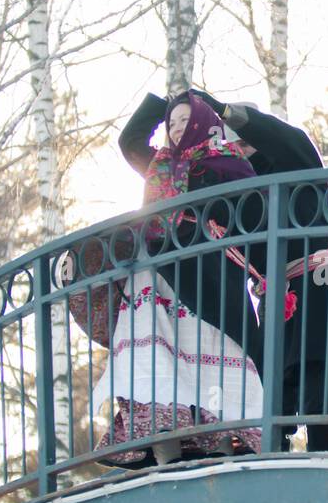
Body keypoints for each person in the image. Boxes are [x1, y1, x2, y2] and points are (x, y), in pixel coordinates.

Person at [121, 87, 328, 453]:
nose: (239, 141)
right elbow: (153, 163)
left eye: (244, 133)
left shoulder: (294, 159)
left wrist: (226, 110)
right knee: (270, 392)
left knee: (321, 390)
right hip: (277, 299)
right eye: (230, 134)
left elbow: (281, 137)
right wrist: (164, 106)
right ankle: (273, 463)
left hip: (323, 284)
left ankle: (325, 466)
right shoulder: (222, 175)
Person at [92, 92, 265, 467]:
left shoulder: (225, 166)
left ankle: (223, 454)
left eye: (185, 120)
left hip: (209, 282)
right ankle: (165, 455)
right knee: (156, 362)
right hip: (158, 279)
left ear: (205, 123)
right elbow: (129, 141)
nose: (176, 129)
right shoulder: (160, 166)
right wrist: (163, 103)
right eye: (171, 124)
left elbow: (248, 213)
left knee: (213, 363)